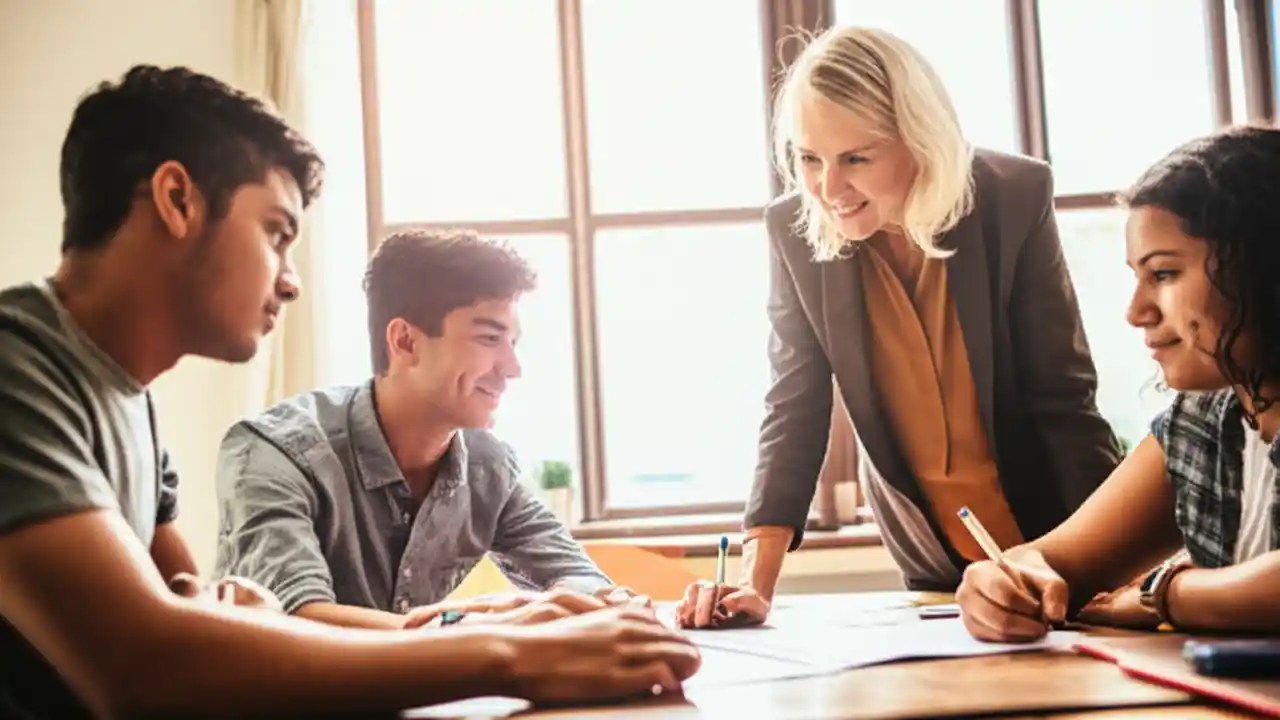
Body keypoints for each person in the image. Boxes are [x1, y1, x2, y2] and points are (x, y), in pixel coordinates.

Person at [0, 64, 697, 719]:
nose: (291, 279)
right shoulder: (15, 368)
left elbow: (206, 619)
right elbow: (143, 666)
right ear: (177, 200)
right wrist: (509, 652)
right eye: (276, 233)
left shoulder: (127, 399)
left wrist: (481, 622)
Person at [677, 26, 1121, 629]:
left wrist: (1119, 568)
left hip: (1058, 546)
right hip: (933, 559)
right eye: (809, 159)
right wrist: (755, 587)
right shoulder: (794, 231)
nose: (828, 189)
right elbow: (794, 405)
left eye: (856, 157)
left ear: (920, 139)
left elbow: (1063, 399)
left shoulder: (1011, 197)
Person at [214, 228, 638, 631]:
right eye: (490, 340)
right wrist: (483, 625)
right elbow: (295, 622)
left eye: (513, 343)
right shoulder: (275, 452)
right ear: (405, 342)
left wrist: (540, 609)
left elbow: (584, 582)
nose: (512, 369)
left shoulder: (487, 467)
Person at [957, 126, 1280, 642]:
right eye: (1138, 276)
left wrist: (1162, 594)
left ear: (1263, 266)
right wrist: (999, 584)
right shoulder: (1200, 422)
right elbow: (1052, 560)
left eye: (1165, 274)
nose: (1136, 312)